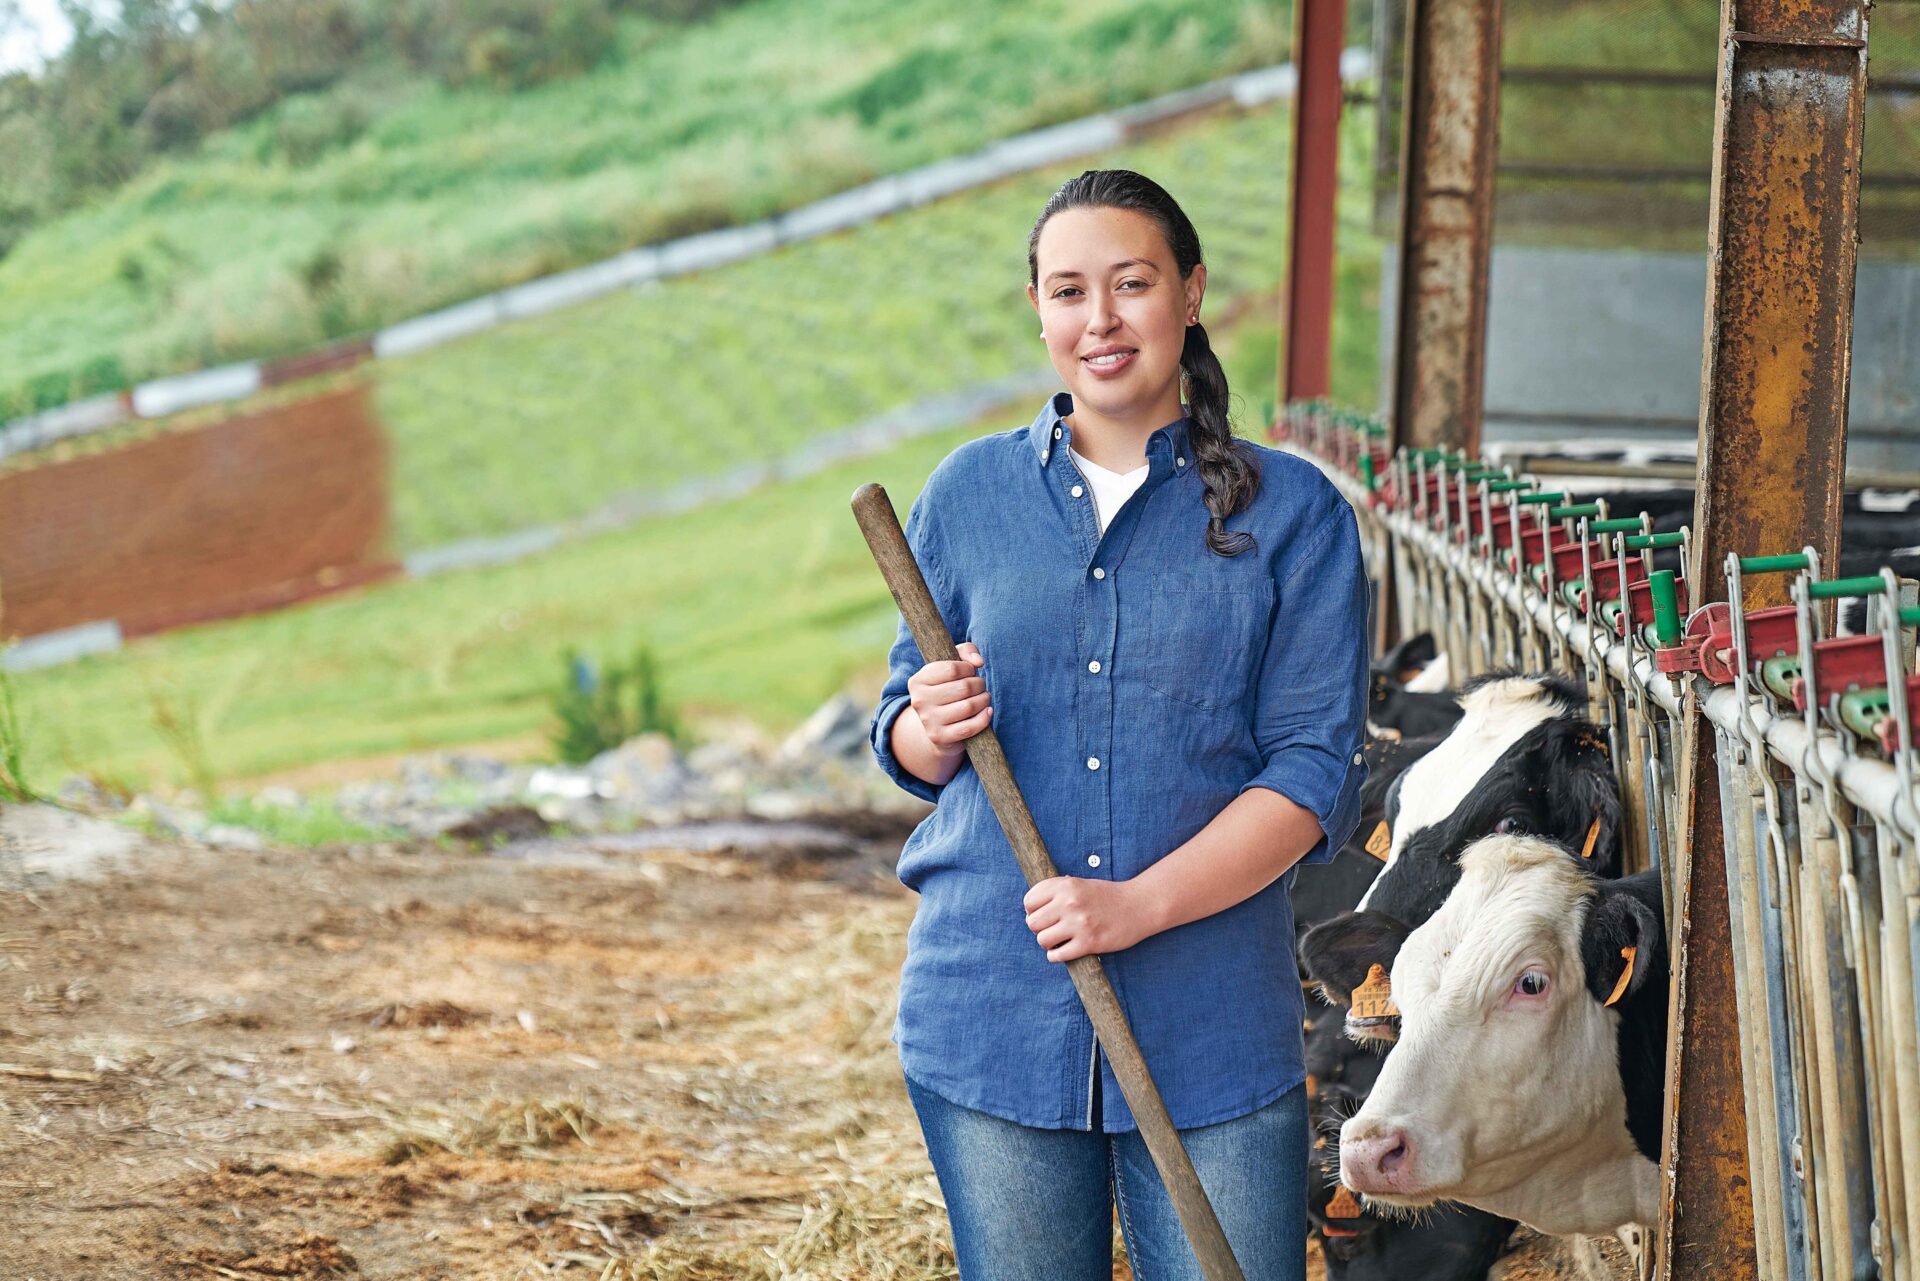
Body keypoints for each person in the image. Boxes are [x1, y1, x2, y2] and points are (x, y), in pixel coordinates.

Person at [866, 168, 1371, 1281]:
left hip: (1209, 1028)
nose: (1099, 320)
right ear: (1038, 309)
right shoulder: (968, 495)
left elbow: (1310, 773)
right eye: (1066, 291)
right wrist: (931, 722)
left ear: (1189, 294)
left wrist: (1137, 907)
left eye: (1131, 283)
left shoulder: (1295, 517)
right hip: (993, 1007)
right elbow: (904, 738)